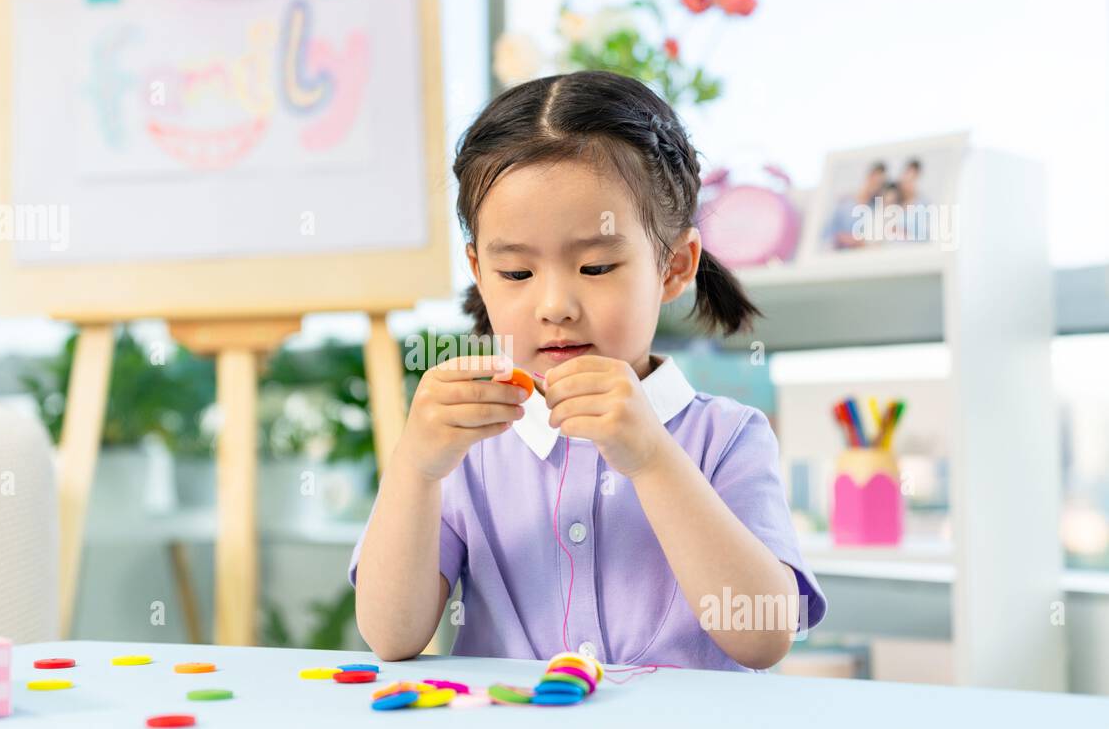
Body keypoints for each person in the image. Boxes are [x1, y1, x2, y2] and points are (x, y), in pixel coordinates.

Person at [348, 70, 827, 672]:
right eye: (517, 274)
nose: (555, 305)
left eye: (597, 267)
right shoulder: (465, 450)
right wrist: (416, 468)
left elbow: (764, 636)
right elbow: (392, 636)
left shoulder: (728, 437)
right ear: (480, 274)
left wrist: (652, 456)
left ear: (674, 266)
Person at [825, 161, 886, 249]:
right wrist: (848, 239)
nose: (876, 187)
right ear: (869, 176)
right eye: (875, 182)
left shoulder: (874, 210)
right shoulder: (844, 204)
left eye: (880, 184)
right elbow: (828, 235)